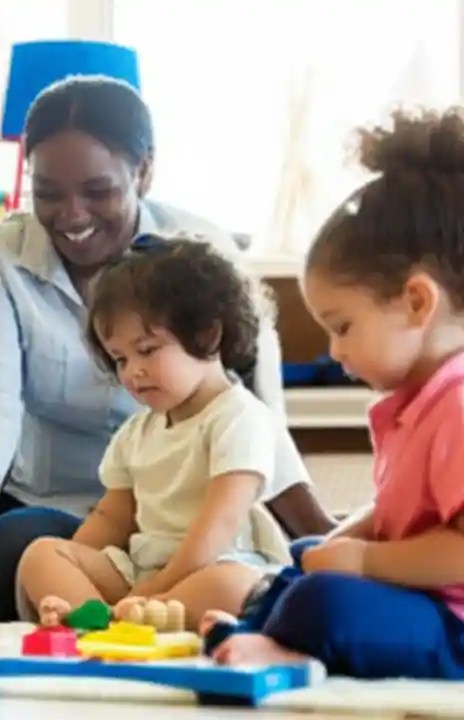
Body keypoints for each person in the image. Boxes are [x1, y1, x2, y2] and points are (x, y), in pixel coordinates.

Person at [0, 75, 336, 623]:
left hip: (165, 547)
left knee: (12, 545)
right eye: (47, 193)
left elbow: (260, 426)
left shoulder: (200, 258)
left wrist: (325, 546)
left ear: (143, 171)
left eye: (97, 191)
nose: (71, 215)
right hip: (53, 504)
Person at [206, 107, 464, 679]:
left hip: (456, 627)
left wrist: (366, 561)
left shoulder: (460, 404)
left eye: (343, 327)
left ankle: (296, 648)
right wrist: (341, 542)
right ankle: (257, 634)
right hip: (425, 603)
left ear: (418, 303)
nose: (336, 352)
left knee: (326, 601)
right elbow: (404, 509)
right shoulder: (423, 399)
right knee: (302, 565)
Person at [18, 236, 300, 628]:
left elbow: (218, 524)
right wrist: (77, 563)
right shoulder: (138, 432)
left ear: (208, 335)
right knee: (42, 554)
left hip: (213, 566)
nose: (133, 371)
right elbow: (111, 518)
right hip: (141, 572)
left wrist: (158, 590)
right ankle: (98, 623)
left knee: (234, 586)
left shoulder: (239, 417)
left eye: (147, 350)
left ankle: (124, 620)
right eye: (120, 358)